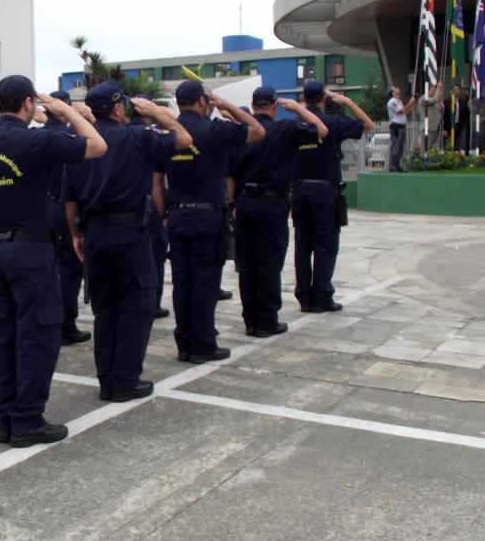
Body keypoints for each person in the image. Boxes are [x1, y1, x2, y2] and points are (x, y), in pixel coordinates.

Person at [0, 75, 107, 447]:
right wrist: (65, 111)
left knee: (6, 336)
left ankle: (6, 416)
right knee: (37, 336)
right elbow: (97, 145)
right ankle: (27, 420)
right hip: (31, 251)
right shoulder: (37, 139)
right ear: (28, 103)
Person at [63, 84, 190, 401]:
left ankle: (107, 379)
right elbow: (185, 138)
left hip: (94, 233)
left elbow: (69, 200)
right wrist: (159, 113)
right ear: (118, 108)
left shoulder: (81, 143)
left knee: (106, 309)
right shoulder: (136, 136)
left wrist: (77, 235)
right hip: (129, 233)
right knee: (136, 306)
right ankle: (124, 380)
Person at [154, 81, 264, 363]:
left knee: (182, 281)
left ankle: (184, 343)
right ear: (204, 101)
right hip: (206, 215)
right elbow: (258, 131)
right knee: (205, 281)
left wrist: (164, 214)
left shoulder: (167, 133)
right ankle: (202, 343)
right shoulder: (213, 129)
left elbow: (157, 182)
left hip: (177, 214)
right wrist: (226, 105)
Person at [231, 87, 328, 337]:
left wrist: (232, 204)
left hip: (243, 203)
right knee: (268, 263)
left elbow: (229, 174)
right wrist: (298, 108)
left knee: (247, 264)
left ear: (253, 106)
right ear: (274, 105)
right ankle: (266, 321)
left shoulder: (242, 131)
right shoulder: (286, 129)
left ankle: (250, 320)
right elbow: (322, 130)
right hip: (271, 204)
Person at [291, 81, 374, 313]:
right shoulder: (334, 122)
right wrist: (347, 101)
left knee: (302, 245)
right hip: (325, 191)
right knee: (326, 245)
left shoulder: (295, 123)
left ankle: (304, 297)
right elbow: (368, 125)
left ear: (304, 98)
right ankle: (322, 295)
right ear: (323, 99)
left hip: (299, 190)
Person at [44, 90, 92, 344]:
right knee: (70, 271)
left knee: (49, 270)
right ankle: (66, 324)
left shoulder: (37, 135)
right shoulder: (69, 137)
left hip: (43, 209)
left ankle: (52, 320)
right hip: (66, 208)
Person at [128, 93, 172, 318]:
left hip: (125, 212)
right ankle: (152, 302)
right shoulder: (151, 136)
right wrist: (161, 212)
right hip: (148, 209)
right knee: (154, 257)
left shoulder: (123, 134)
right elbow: (156, 181)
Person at [387, 86, 415, 172]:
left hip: (402, 127)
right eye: (395, 88)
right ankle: (392, 166)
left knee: (400, 148)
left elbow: (405, 112)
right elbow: (401, 111)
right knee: (395, 147)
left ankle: (397, 164)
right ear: (392, 92)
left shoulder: (399, 101)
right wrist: (410, 102)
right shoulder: (392, 102)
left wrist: (411, 104)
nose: (397, 88)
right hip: (396, 127)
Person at [416, 81, 444, 151]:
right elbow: (434, 100)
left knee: (434, 149)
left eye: (434, 90)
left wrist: (442, 107)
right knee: (426, 149)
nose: (434, 92)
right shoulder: (423, 98)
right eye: (432, 90)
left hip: (435, 128)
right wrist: (438, 89)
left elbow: (440, 113)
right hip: (427, 128)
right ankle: (424, 161)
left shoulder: (435, 102)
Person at [445, 84, 471, 153]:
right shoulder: (447, 102)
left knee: (458, 143)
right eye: (455, 89)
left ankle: (457, 154)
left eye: (458, 90)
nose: (456, 91)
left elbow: (467, 114)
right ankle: (449, 155)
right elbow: (444, 116)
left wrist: (468, 106)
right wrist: (443, 129)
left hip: (459, 125)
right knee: (449, 143)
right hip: (449, 126)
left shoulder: (463, 102)